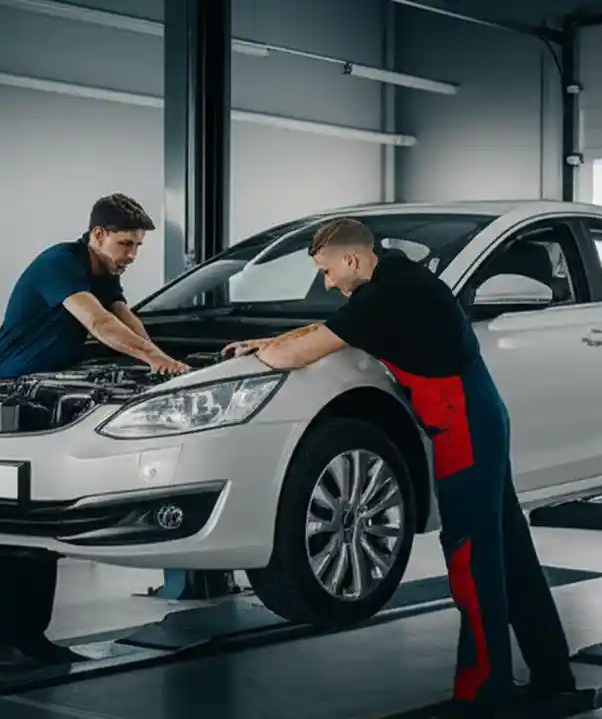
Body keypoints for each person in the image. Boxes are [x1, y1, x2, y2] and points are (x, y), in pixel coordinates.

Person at [222, 218, 578, 717]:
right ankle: (553, 673)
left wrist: (261, 356)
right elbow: (327, 327)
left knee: (473, 561)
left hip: (463, 429)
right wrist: (267, 341)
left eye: (325, 271)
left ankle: (484, 692)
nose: (325, 283)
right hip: (480, 417)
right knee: (511, 553)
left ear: (350, 259)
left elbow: (304, 349)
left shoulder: (386, 297)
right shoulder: (397, 277)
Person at [0, 193, 189, 674]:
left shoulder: (106, 274)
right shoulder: (59, 264)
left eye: (138, 246)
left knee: (41, 527)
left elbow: (127, 321)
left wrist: (165, 363)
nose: (132, 255)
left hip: (42, 404)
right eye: (126, 243)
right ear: (97, 234)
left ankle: (31, 639)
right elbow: (99, 324)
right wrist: (156, 361)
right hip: (1, 398)